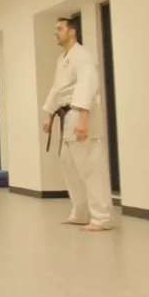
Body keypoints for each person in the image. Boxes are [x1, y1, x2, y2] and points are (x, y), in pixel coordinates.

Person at [41, 17, 114, 232]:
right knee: (69, 166)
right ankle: (80, 212)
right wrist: (49, 114)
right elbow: (57, 88)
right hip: (67, 115)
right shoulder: (63, 58)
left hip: (82, 114)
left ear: (72, 31)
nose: (56, 32)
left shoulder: (83, 56)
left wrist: (83, 119)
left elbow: (86, 85)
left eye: (60, 29)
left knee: (90, 167)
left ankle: (102, 218)